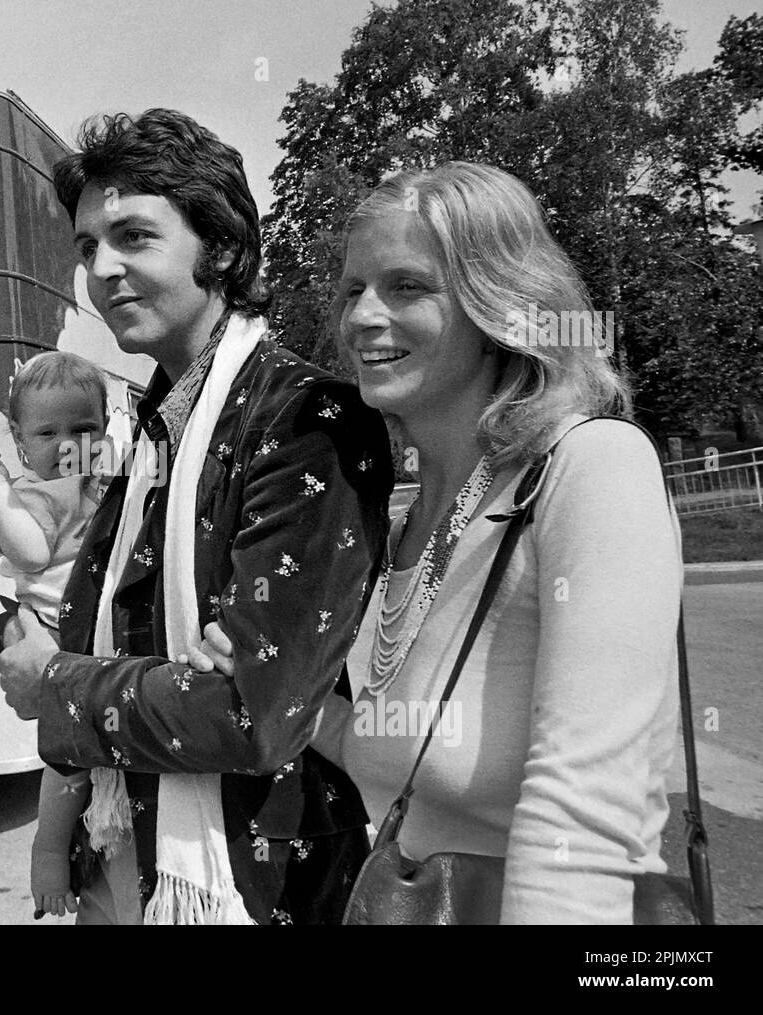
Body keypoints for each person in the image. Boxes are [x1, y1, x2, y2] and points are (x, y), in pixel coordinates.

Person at [192, 161, 682, 924]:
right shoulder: (397, 525)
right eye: (353, 289)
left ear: (503, 303)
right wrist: (271, 680)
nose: (361, 316)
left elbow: (585, 826)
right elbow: (393, 754)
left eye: (408, 286)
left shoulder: (592, 468)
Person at [0, 108, 394, 925]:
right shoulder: (148, 429)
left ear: (222, 249)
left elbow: (249, 714)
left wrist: (53, 680)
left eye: (134, 237)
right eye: (85, 248)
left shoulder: (308, 420)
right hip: (119, 853)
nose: (101, 269)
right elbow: (112, 633)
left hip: (251, 881)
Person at [0, 350, 112, 920]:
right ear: (23, 443)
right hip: (55, 633)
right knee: (66, 763)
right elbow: (31, 551)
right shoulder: (40, 494)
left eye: (84, 427)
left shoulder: (107, 476)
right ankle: (48, 849)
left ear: (106, 427)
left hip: (91, 638)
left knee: (90, 755)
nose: (68, 442)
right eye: (48, 432)